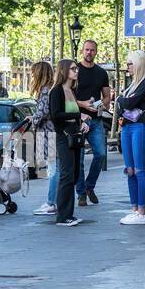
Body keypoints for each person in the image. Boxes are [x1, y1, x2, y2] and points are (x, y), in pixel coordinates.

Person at [116, 51, 145, 225]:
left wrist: (122, 100)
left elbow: (128, 103)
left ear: (138, 64)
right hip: (126, 127)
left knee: (139, 169)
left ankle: (142, 212)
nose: (128, 67)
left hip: (139, 126)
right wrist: (122, 101)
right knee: (130, 169)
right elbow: (121, 105)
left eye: (130, 63)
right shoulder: (132, 85)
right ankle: (134, 210)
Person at [73, 39, 111, 207]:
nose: (89, 53)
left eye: (92, 50)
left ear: (96, 52)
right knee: (79, 160)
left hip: (95, 120)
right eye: (87, 50)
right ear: (82, 51)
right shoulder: (74, 71)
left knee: (101, 154)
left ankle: (90, 186)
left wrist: (102, 105)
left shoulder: (101, 73)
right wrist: (83, 104)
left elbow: (107, 97)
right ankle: (81, 194)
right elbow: (67, 96)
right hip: (78, 120)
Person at [48, 60, 86, 227]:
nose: (76, 71)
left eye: (76, 68)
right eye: (72, 68)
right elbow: (55, 115)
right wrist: (76, 116)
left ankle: (69, 214)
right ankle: (62, 216)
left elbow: (74, 113)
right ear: (64, 71)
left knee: (75, 174)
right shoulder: (56, 91)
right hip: (64, 136)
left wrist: (80, 121)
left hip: (75, 134)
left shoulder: (71, 90)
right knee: (66, 174)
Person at [27, 61, 56, 216]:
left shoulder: (45, 90)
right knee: (54, 168)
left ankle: (51, 202)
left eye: (33, 73)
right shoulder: (51, 88)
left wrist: (33, 120)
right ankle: (54, 201)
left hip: (48, 133)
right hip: (52, 131)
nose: (32, 76)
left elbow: (43, 111)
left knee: (53, 169)